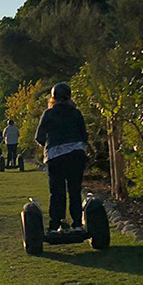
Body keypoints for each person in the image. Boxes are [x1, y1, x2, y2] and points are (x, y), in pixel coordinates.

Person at [33, 82, 88, 231]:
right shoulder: (76, 113)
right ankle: (77, 224)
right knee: (75, 190)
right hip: (76, 154)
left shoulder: (48, 113)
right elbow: (84, 136)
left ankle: (55, 224)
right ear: (69, 97)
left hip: (55, 156)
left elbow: (39, 137)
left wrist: (48, 145)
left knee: (57, 192)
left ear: (53, 97)